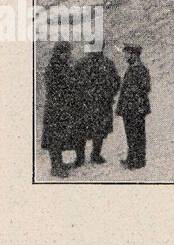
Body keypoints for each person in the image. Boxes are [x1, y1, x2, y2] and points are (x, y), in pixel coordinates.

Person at [72, 43, 120, 167]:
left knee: (83, 130)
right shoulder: (107, 63)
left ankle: (81, 157)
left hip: (85, 104)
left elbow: (73, 83)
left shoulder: (81, 63)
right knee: (98, 130)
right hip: (100, 103)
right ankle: (95, 155)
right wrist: (109, 95)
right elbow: (116, 82)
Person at [41, 42, 78, 178]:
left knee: (60, 136)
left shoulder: (63, 66)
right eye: (66, 53)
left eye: (68, 52)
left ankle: (59, 163)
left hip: (62, 108)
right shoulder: (53, 68)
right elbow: (57, 89)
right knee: (54, 138)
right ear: (59, 53)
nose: (69, 55)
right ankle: (55, 167)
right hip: (55, 109)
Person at [116, 43, 151, 170]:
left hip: (134, 108)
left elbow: (145, 88)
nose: (125, 56)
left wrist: (132, 101)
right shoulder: (134, 68)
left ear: (134, 55)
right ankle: (134, 159)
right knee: (132, 134)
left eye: (127, 54)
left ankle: (136, 161)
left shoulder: (139, 69)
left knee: (135, 134)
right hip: (133, 108)